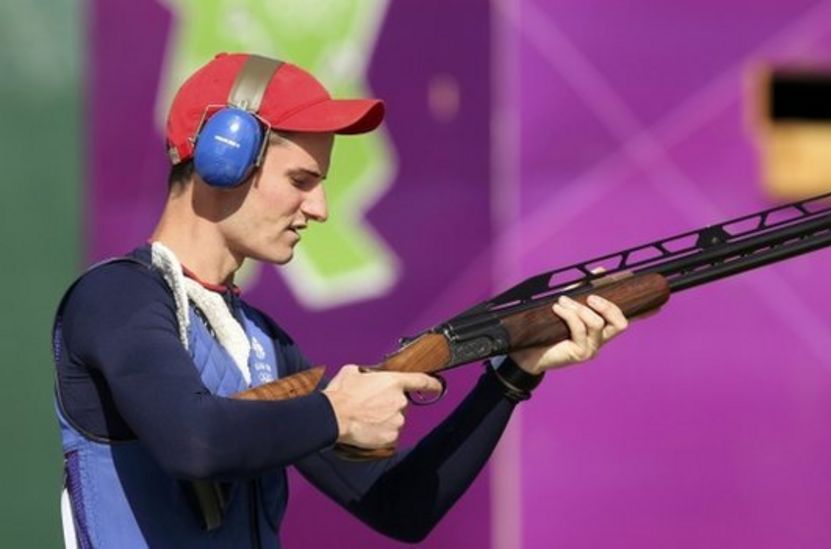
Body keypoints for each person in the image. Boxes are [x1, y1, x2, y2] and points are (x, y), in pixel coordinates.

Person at [53, 53, 634, 548]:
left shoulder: (262, 341)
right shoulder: (118, 295)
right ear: (222, 159)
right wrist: (338, 413)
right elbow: (196, 442)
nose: (319, 208)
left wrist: (512, 374)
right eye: (302, 180)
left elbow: (401, 508)